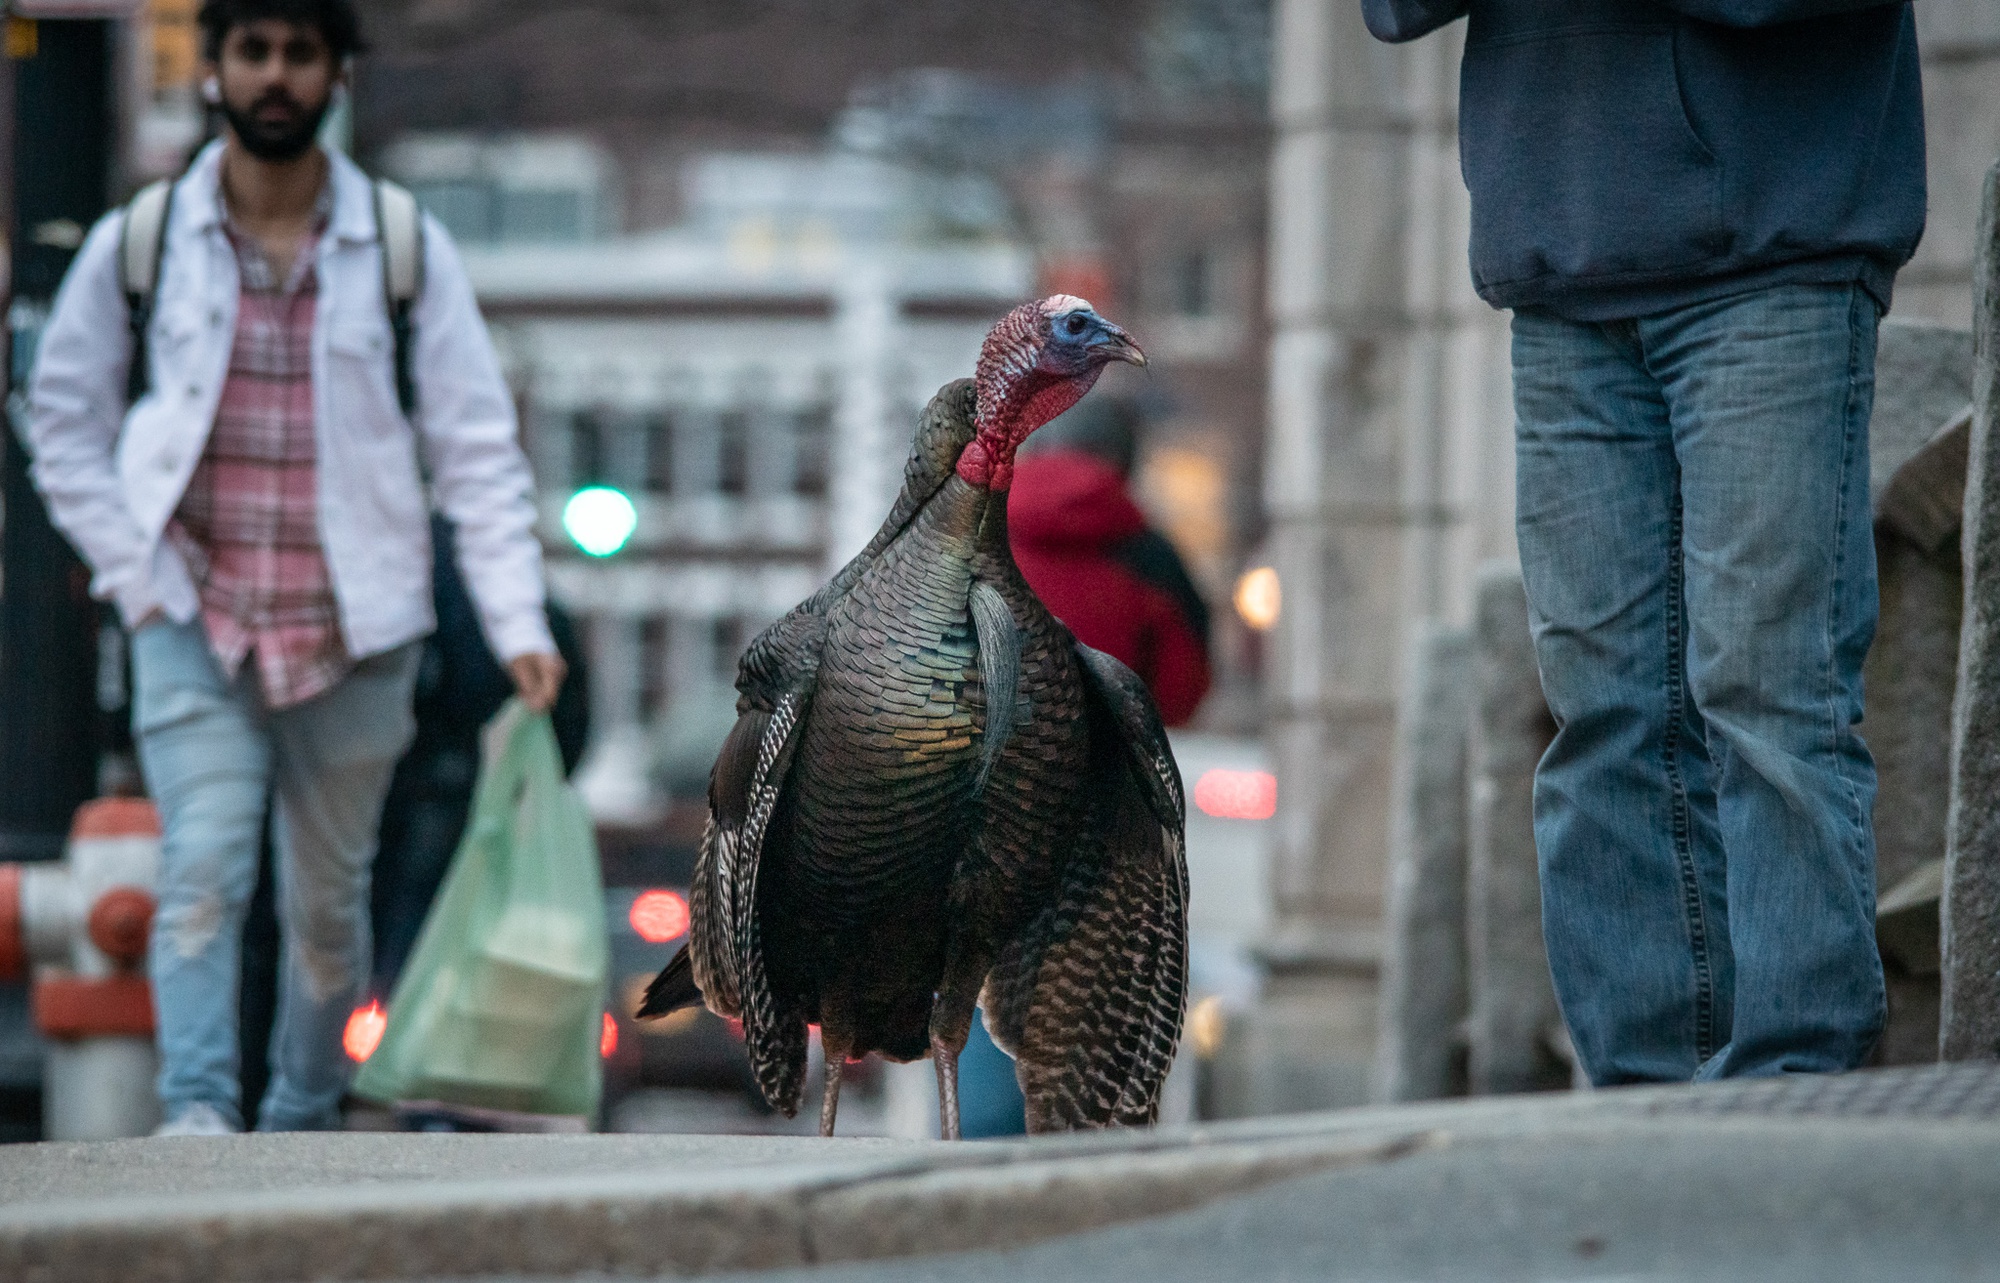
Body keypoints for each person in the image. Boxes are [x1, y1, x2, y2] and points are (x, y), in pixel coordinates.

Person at [25, 0, 564, 1133]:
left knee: (327, 905)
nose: (275, 76)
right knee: (202, 875)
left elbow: (477, 449)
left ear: (336, 73)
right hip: (192, 613)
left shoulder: (403, 245)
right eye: (253, 52)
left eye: (299, 54)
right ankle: (198, 1116)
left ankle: (301, 1119)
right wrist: (133, 572)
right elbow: (62, 420)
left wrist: (517, 619)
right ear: (215, 69)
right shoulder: (150, 238)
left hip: (359, 629)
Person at [1364, 1, 1924, 1083]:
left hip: (1777, 245)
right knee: (1601, 717)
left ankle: (1793, 1087)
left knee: (1767, 693)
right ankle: (1640, 1101)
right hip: (1559, 262)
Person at [1009, 397, 1213, 726]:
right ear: (1124, 459)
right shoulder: (1151, 557)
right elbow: (1180, 689)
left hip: (986, 762)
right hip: (1106, 760)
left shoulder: (974, 535)